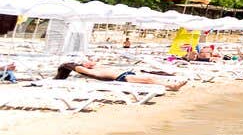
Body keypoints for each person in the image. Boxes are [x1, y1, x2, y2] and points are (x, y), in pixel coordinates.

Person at [56, 61, 185, 88]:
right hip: (121, 78)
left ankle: (169, 84)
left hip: (126, 74)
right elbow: (81, 69)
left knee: (150, 78)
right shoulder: (90, 71)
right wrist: (75, 66)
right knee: (149, 79)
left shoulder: (96, 67)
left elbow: (95, 62)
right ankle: (172, 86)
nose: (88, 61)